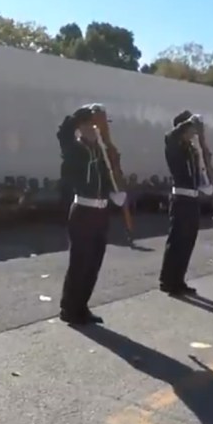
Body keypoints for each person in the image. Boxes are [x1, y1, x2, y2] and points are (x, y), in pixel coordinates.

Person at [58, 104, 126, 325]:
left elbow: (109, 178)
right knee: (80, 262)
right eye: (93, 125)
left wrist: (116, 194)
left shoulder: (102, 152)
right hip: (83, 211)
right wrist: (84, 115)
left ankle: (82, 306)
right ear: (82, 127)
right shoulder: (74, 148)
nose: (98, 129)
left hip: (101, 212)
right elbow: (63, 131)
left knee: (94, 263)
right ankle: (69, 309)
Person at [159, 111, 211, 295]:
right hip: (180, 197)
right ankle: (167, 281)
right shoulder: (173, 145)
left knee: (188, 241)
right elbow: (170, 135)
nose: (193, 133)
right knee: (177, 241)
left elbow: (205, 162)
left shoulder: (191, 149)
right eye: (190, 129)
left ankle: (178, 279)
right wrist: (188, 122)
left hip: (192, 197)